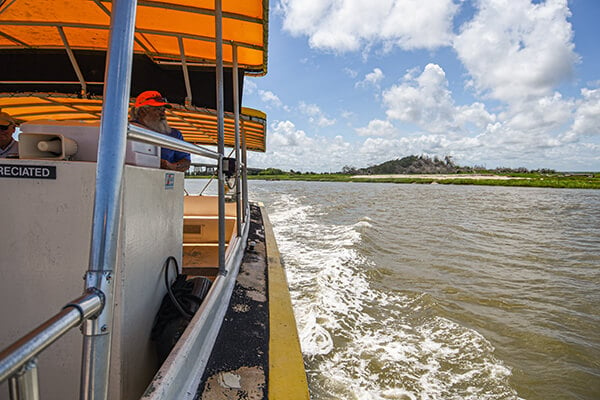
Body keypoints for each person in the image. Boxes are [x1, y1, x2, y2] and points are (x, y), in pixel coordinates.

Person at [130, 91, 191, 172]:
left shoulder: (174, 135)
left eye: (163, 109)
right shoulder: (128, 130)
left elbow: (186, 162)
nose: (163, 113)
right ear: (142, 112)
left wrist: (172, 166)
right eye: (157, 109)